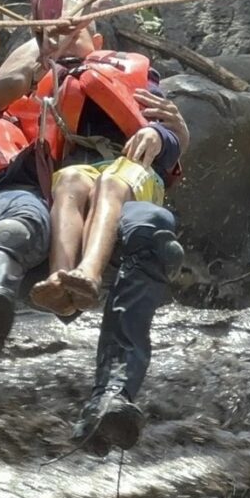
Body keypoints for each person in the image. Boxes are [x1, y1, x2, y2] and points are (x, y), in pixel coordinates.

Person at [0, 0, 189, 456]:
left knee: (151, 233)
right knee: (21, 216)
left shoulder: (31, 111)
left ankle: (111, 398)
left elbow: (121, 154)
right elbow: (11, 77)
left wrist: (171, 131)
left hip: (64, 230)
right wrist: (56, 20)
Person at [26, 23, 181, 318]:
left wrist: (157, 134)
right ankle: (59, 277)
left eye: (74, 37)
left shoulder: (135, 76)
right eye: (56, 39)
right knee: (69, 180)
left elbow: (170, 133)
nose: (65, 44)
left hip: (133, 171)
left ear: (96, 41)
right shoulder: (45, 87)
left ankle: (90, 273)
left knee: (109, 182)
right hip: (80, 170)